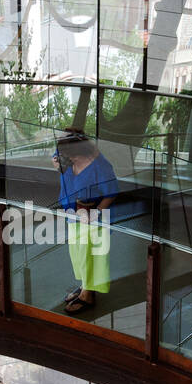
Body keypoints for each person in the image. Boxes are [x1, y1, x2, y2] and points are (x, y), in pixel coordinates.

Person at [52, 130, 117, 314]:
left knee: (90, 256)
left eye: (68, 155)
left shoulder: (100, 166)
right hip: (74, 215)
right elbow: (56, 157)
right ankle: (85, 286)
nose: (63, 157)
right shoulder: (66, 156)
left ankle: (88, 295)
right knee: (79, 254)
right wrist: (57, 162)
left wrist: (95, 215)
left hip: (92, 219)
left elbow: (112, 192)